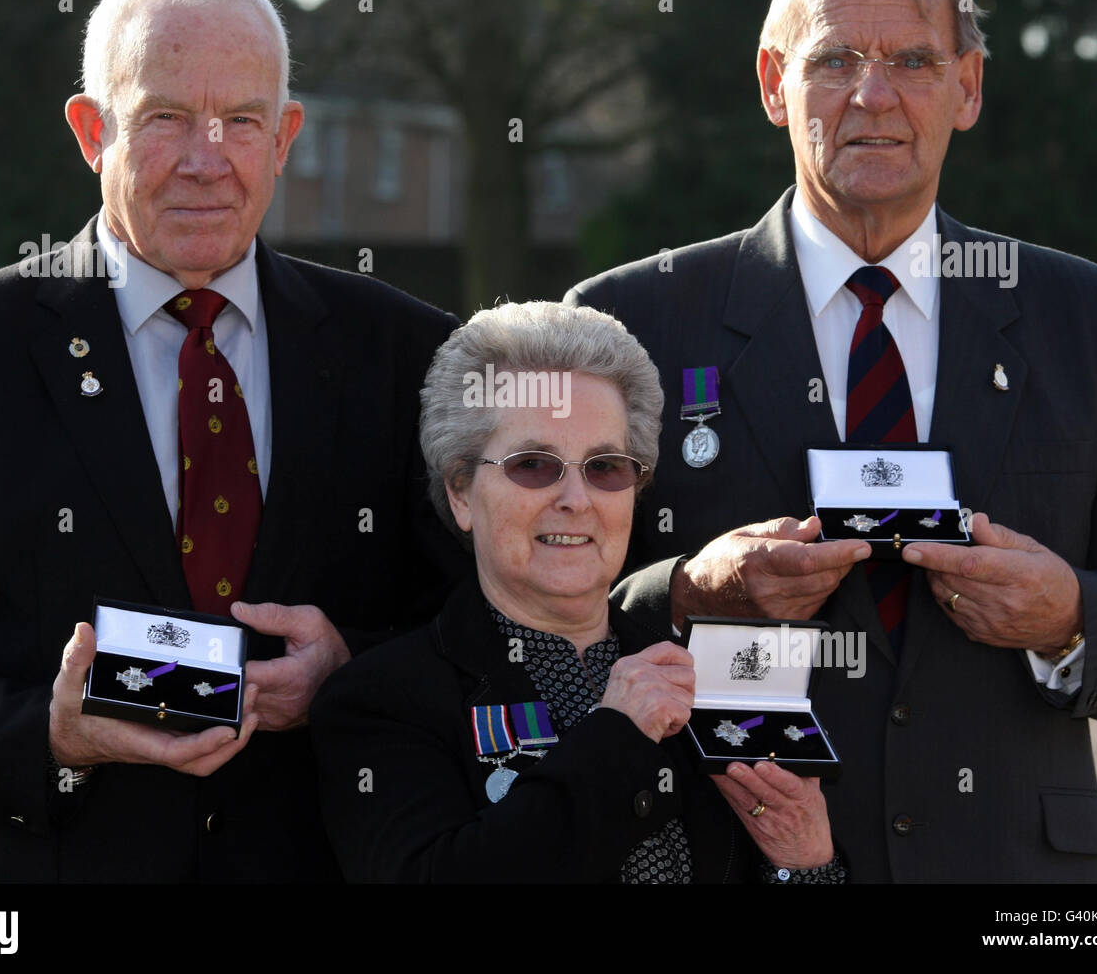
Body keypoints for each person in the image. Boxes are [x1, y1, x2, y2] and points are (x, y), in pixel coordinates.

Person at [566, 0, 1097, 883]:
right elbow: (534, 613)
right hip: (720, 859)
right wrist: (689, 590)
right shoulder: (624, 322)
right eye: (836, 58)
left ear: (967, 88)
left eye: (915, 62)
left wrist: (1068, 620)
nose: (873, 95)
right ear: (774, 83)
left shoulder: (1096, 324)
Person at [0, 0, 464, 882]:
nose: (206, 157)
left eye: (241, 121)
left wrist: (350, 672)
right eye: (166, 118)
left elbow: (479, 628)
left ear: (285, 138)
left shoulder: (406, 350)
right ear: (90, 131)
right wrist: (51, 736)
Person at [310, 301, 845, 882]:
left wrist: (804, 860)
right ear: (462, 492)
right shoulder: (380, 700)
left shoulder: (710, 674)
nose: (576, 498)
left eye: (605, 467)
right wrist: (618, 737)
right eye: (534, 464)